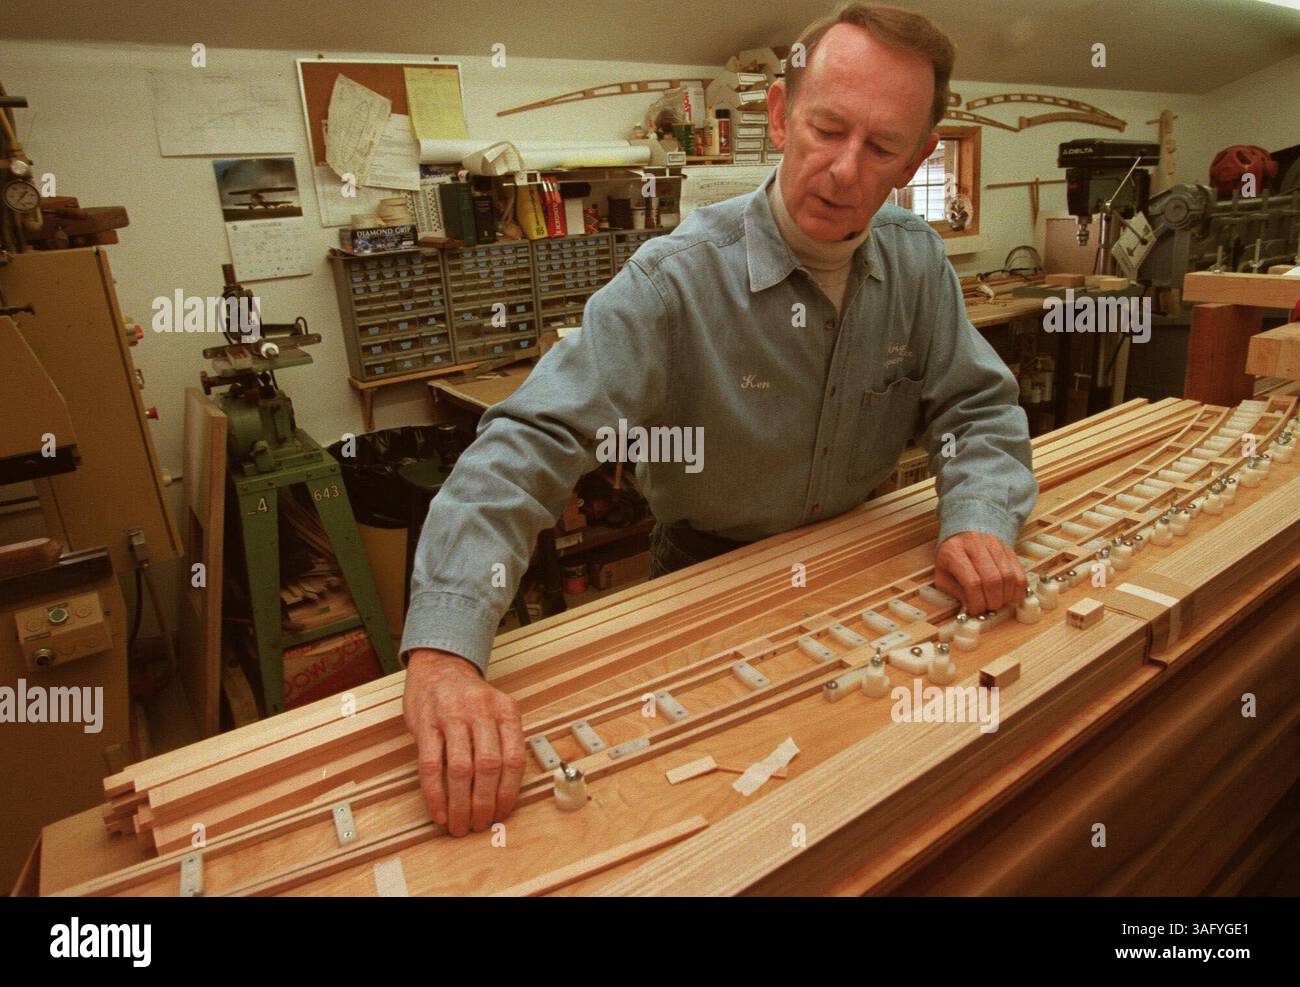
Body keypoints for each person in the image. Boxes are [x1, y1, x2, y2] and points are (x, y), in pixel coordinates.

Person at [400, 2, 1036, 837]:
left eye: (880, 148)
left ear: (917, 160)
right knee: (713, 822)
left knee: (894, 812)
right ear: (780, 116)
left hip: (865, 567)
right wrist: (446, 649)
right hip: (707, 585)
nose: (845, 171)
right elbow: (533, 439)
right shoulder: (673, 282)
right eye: (827, 129)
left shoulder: (917, 262)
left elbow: (976, 404)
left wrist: (980, 511)